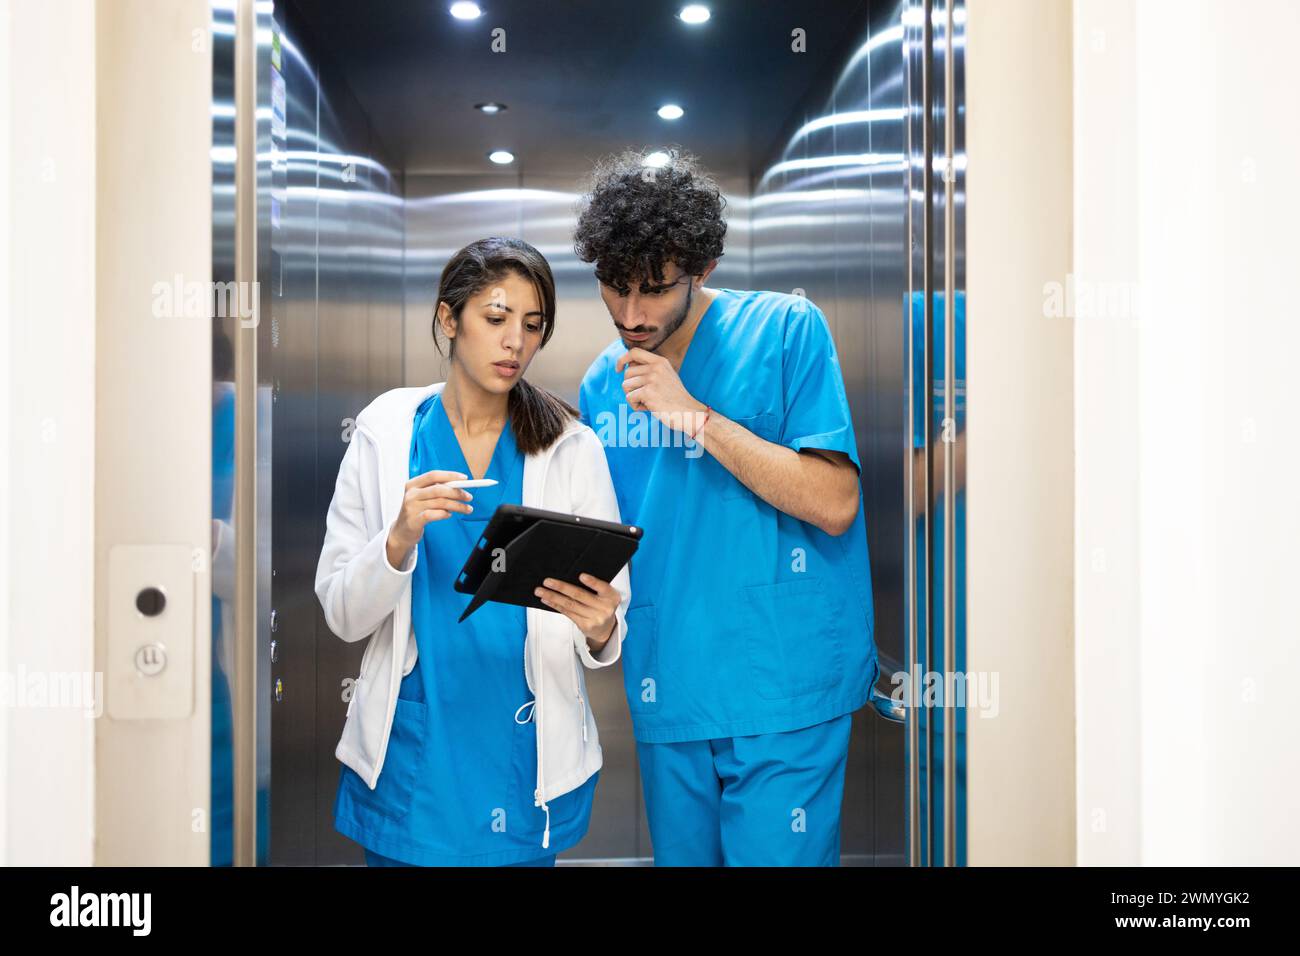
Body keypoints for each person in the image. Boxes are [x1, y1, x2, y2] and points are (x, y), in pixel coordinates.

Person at [574, 148, 879, 866]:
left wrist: (696, 417)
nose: (630, 312)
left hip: (783, 687)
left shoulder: (785, 331)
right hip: (669, 683)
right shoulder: (600, 384)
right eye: (613, 288)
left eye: (652, 289)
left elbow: (835, 503)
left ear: (702, 268)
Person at [315, 236, 630, 866]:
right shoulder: (384, 434)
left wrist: (601, 630)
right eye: (495, 318)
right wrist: (398, 539)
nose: (516, 341)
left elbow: (609, 613)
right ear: (447, 318)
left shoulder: (572, 448)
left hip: (524, 757)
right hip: (416, 756)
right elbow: (343, 615)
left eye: (533, 325)